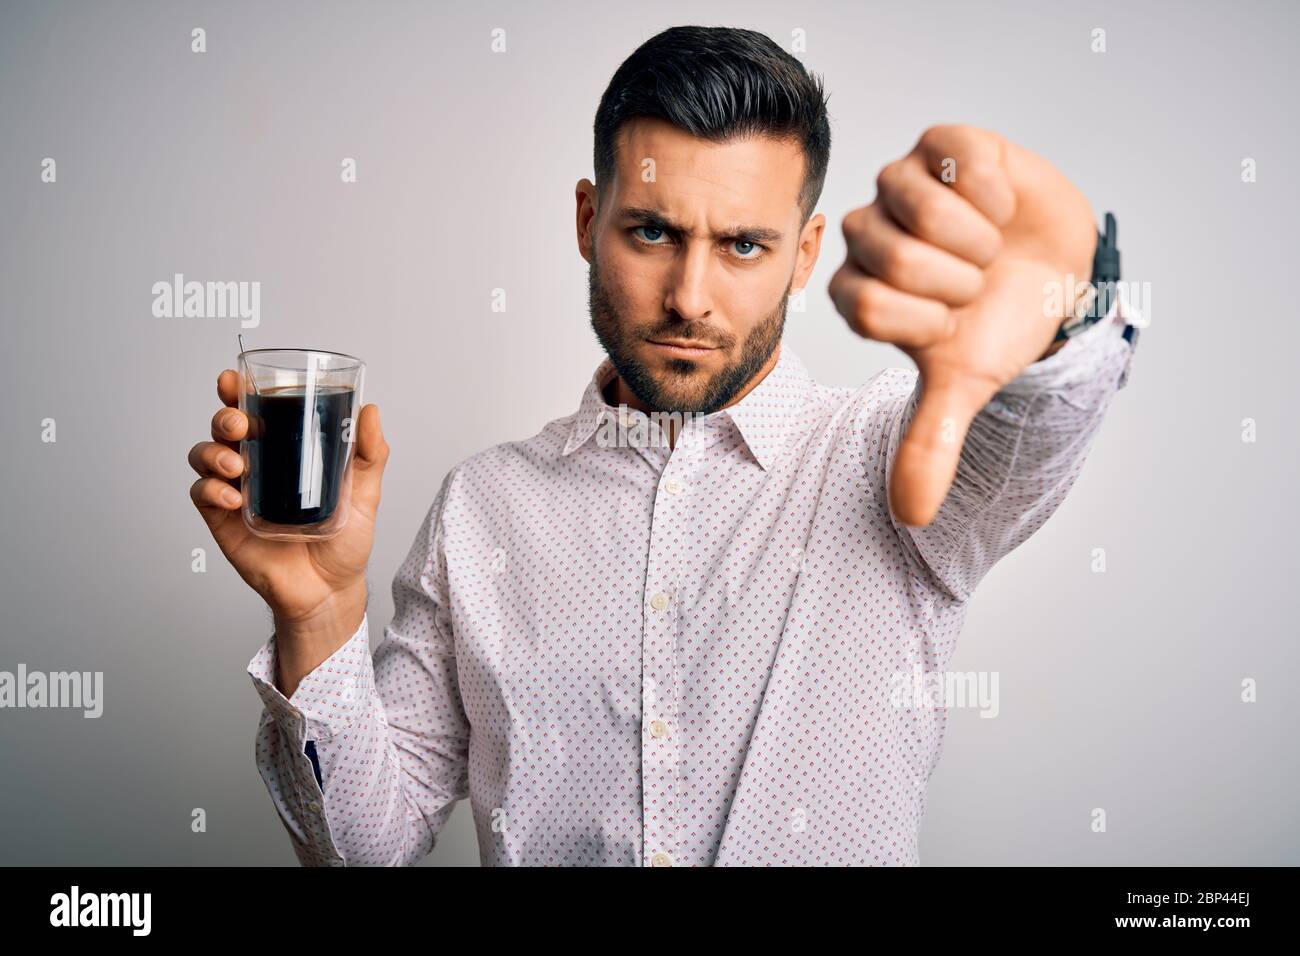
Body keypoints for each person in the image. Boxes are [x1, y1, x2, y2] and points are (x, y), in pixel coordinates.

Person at [187, 25, 1140, 866]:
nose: (690, 296)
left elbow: (1028, 428)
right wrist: (318, 618)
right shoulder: (482, 510)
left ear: (805, 255)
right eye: (652, 231)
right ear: (587, 222)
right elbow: (366, 849)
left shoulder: (889, 456)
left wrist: (1063, 306)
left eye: (743, 246)